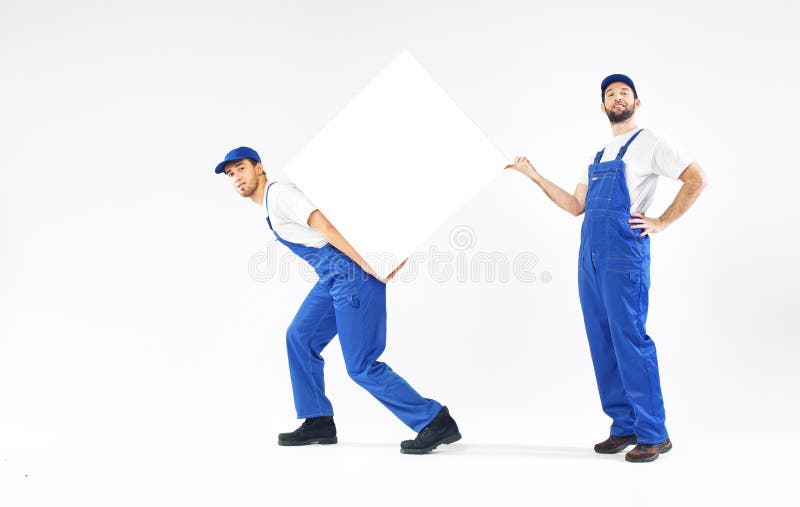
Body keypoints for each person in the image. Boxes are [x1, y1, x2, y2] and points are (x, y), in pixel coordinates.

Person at [506, 74, 708, 462]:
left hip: (622, 254)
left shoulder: (651, 142)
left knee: (630, 338)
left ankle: (654, 432)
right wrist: (534, 176)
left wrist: (662, 221)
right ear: (602, 106)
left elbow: (696, 179)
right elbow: (574, 206)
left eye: (625, 93)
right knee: (602, 341)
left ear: (637, 101)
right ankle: (625, 426)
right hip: (590, 257)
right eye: (611, 94)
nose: (618, 98)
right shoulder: (598, 154)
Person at [214, 146, 461, 454]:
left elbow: (327, 226)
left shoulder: (279, 197)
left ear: (259, 168)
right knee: (300, 337)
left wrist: (370, 264)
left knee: (361, 365)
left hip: (350, 273)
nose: (236, 177)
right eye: (230, 174)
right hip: (332, 276)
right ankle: (318, 420)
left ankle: (434, 420)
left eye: (241, 168)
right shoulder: (269, 204)